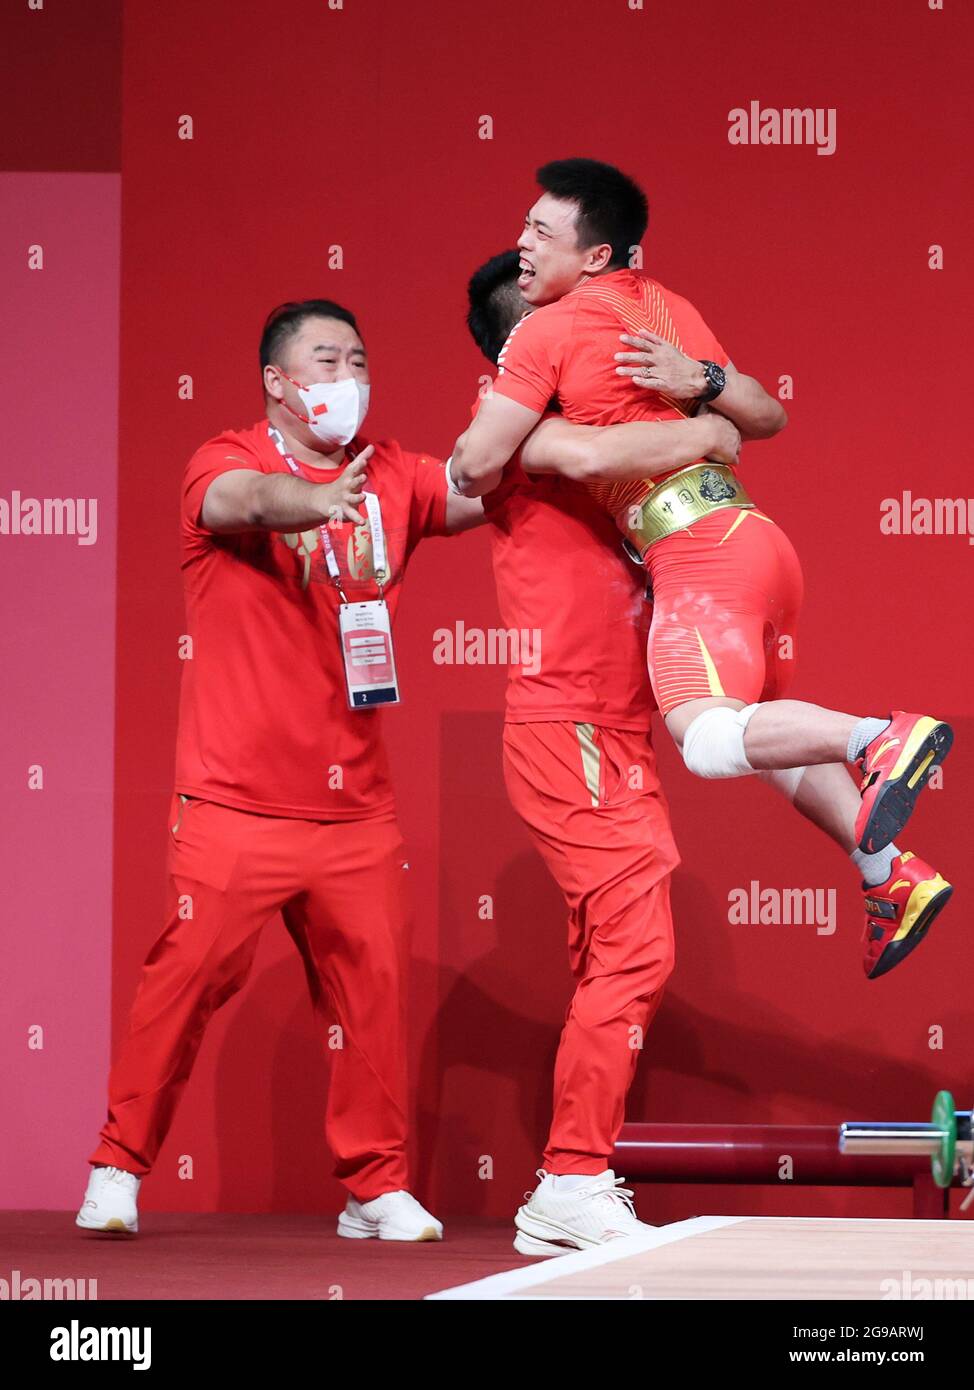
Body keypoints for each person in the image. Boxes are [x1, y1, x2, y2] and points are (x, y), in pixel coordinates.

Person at [450, 160, 953, 994]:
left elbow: (473, 466)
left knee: (711, 743)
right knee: (765, 736)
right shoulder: (669, 308)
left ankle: (875, 738)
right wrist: (709, 417)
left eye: (542, 231)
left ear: (598, 255)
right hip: (755, 538)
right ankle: (889, 877)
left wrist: (513, 428)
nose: (524, 241)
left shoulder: (541, 334)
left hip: (697, 555)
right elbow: (759, 418)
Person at [76, 298, 490, 1241]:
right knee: (183, 985)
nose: (344, 376)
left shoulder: (393, 473)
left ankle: (374, 1188)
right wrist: (317, 500)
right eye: (323, 360)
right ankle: (117, 1164)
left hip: (355, 815)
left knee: (374, 1002)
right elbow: (247, 506)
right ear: (277, 382)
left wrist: (547, 443)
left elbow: (480, 492)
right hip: (234, 803)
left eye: (356, 358)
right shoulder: (225, 462)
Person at [462, 251, 745, 1256]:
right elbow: (589, 460)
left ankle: (577, 1175)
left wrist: (712, 406)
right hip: (566, 717)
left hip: (612, 718)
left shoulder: (587, 420)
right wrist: (711, 422)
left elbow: (728, 443)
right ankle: (570, 1176)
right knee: (636, 944)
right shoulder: (528, 424)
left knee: (610, 950)